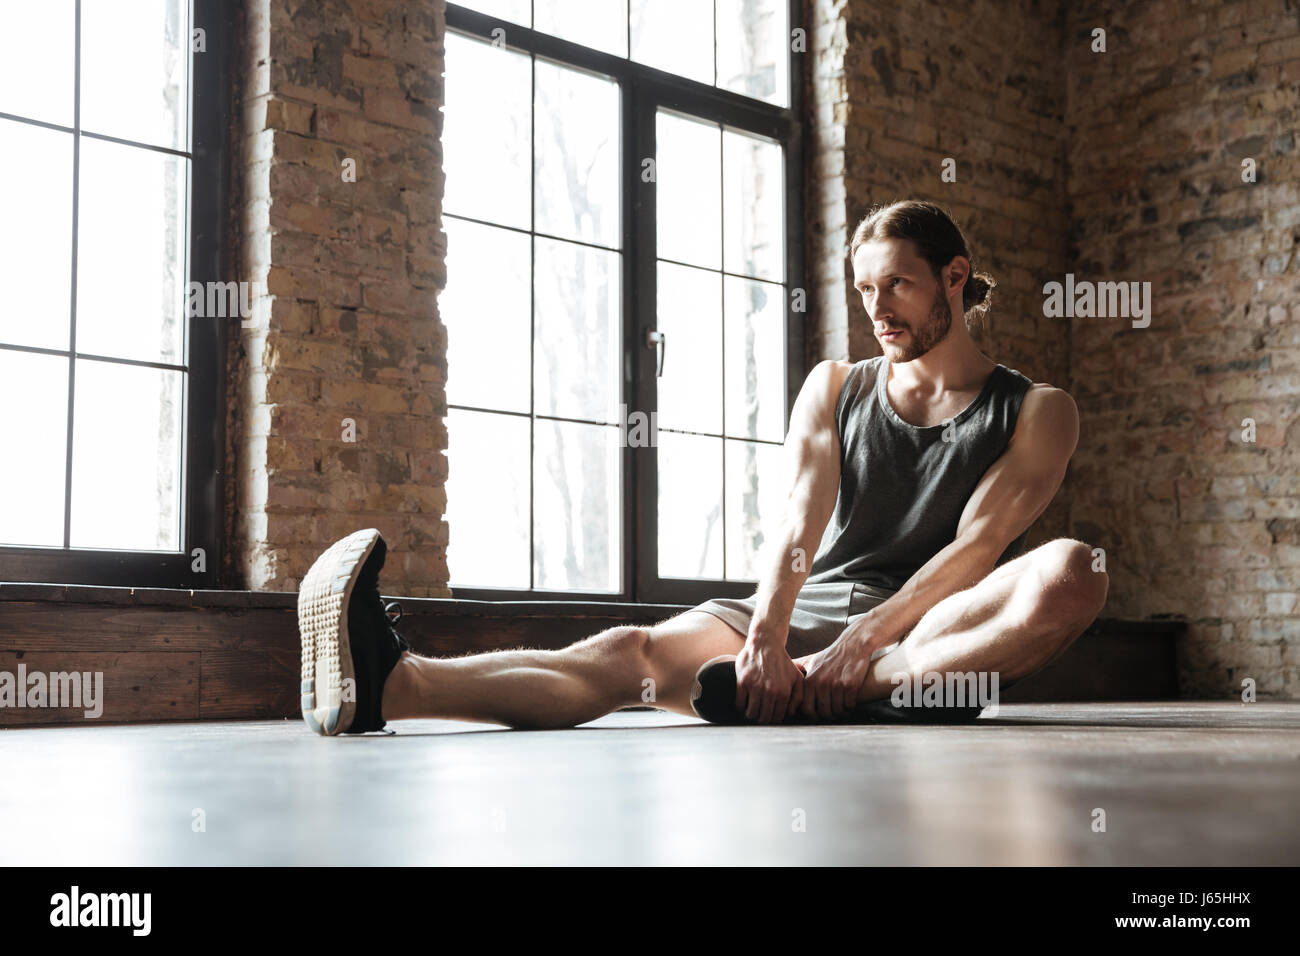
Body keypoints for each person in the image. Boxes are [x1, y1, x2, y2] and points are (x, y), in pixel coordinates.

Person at [295, 199, 1108, 735]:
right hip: (809, 603)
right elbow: (800, 519)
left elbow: (976, 549)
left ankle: (860, 686)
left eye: (897, 283)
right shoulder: (835, 385)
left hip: (931, 628)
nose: (878, 308)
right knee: (633, 655)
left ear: (955, 279)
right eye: (865, 289)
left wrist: (857, 645)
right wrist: (766, 635)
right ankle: (397, 683)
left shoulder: (1038, 408)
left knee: (1073, 571)